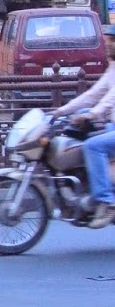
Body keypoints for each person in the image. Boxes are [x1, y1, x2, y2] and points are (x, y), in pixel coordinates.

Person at [52, 27, 115, 227]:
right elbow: (93, 95)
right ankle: (90, 192)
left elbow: (108, 101)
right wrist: (61, 112)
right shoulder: (113, 69)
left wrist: (91, 114)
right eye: (109, 40)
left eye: (113, 41)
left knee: (93, 146)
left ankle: (106, 202)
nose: (108, 45)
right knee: (83, 141)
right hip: (112, 126)